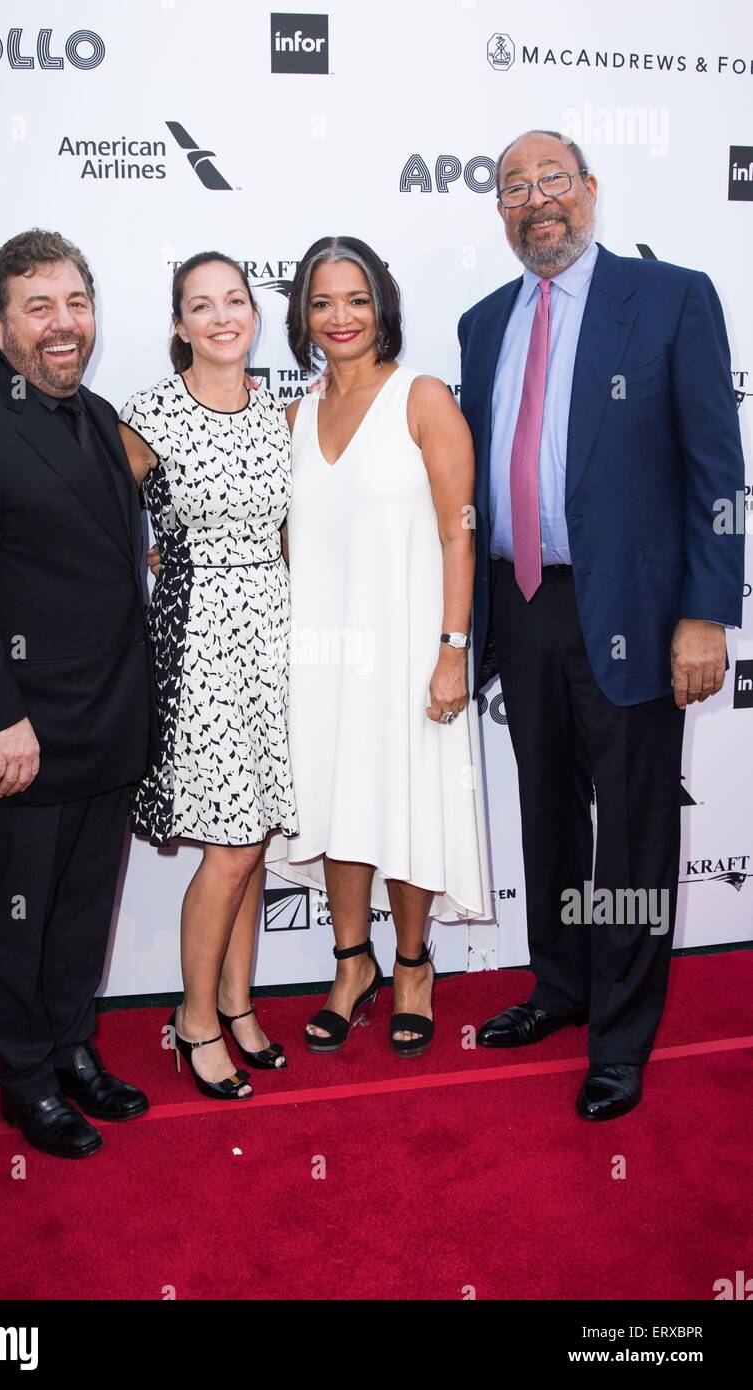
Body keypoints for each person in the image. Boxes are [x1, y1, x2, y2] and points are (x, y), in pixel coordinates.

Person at [458, 130, 745, 1119]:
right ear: (499, 210)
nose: (536, 199)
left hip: (635, 609)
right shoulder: (482, 323)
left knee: (629, 830)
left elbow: (718, 473)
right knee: (545, 812)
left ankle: (619, 1035)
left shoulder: (671, 299)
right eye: (514, 187)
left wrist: (706, 611)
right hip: (522, 602)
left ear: (589, 188)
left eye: (552, 179)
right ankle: (561, 985)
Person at [0, 229, 156, 1159]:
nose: (63, 323)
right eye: (39, 306)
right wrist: (1, 718)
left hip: (106, 721)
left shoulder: (97, 414)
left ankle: (72, 1047)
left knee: (82, 907)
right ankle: (25, 1080)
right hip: (21, 733)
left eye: (76, 303)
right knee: (20, 909)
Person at [266, 236, 492, 1057]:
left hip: (408, 648)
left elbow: (459, 533)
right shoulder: (292, 418)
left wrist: (451, 650)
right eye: (322, 302)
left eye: (356, 299)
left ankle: (412, 968)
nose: (341, 317)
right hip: (321, 657)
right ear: (302, 316)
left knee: (406, 803)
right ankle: (351, 964)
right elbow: (281, 544)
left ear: (382, 307)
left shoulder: (422, 398)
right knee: (338, 803)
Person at [118, 252, 297, 1101]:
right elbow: (95, 527)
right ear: (179, 324)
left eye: (235, 301)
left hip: (273, 637)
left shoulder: (278, 414)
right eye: (202, 304)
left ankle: (237, 1004)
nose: (222, 316)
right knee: (230, 844)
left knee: (253, 839)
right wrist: (153, 561)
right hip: (199, 645)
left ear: (255, 316)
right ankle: (194, 1023)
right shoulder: (149, 415)